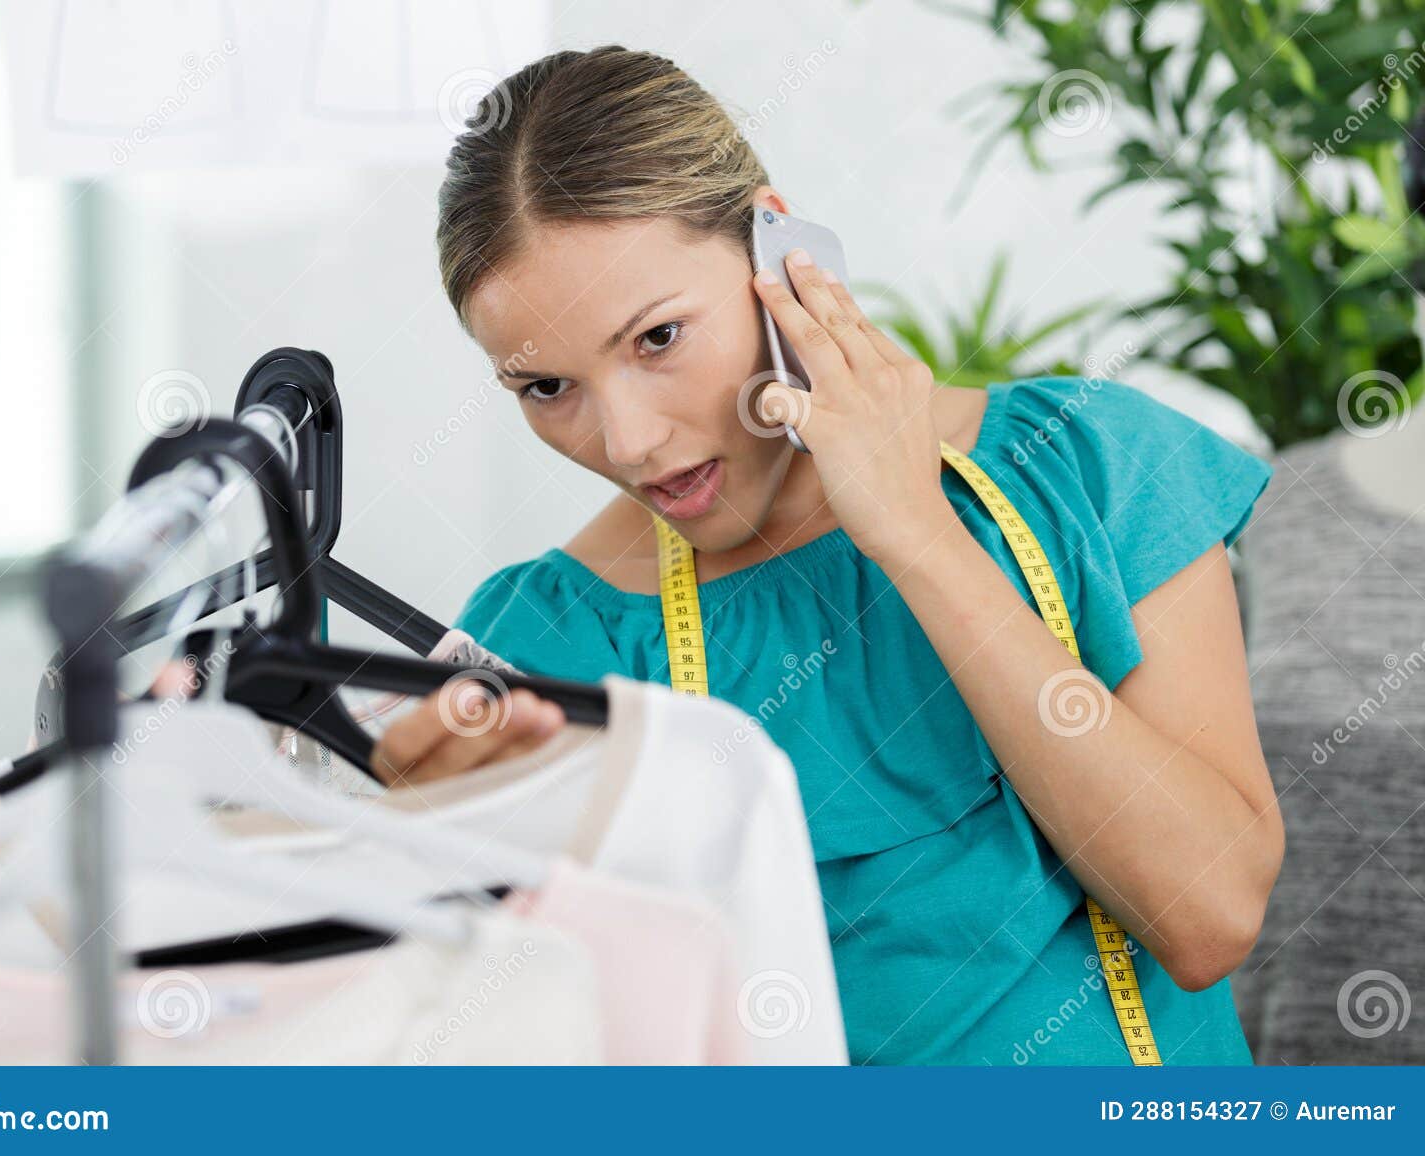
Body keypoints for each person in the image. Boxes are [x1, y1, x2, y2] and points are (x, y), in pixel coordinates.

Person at [371, 45, 1284, 1065]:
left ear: (776, 246)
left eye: (658, 337)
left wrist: (914, 530)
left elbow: (1207, 911)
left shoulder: (1088, 462)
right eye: (546, 387)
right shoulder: (545, 644)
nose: (625, 441)